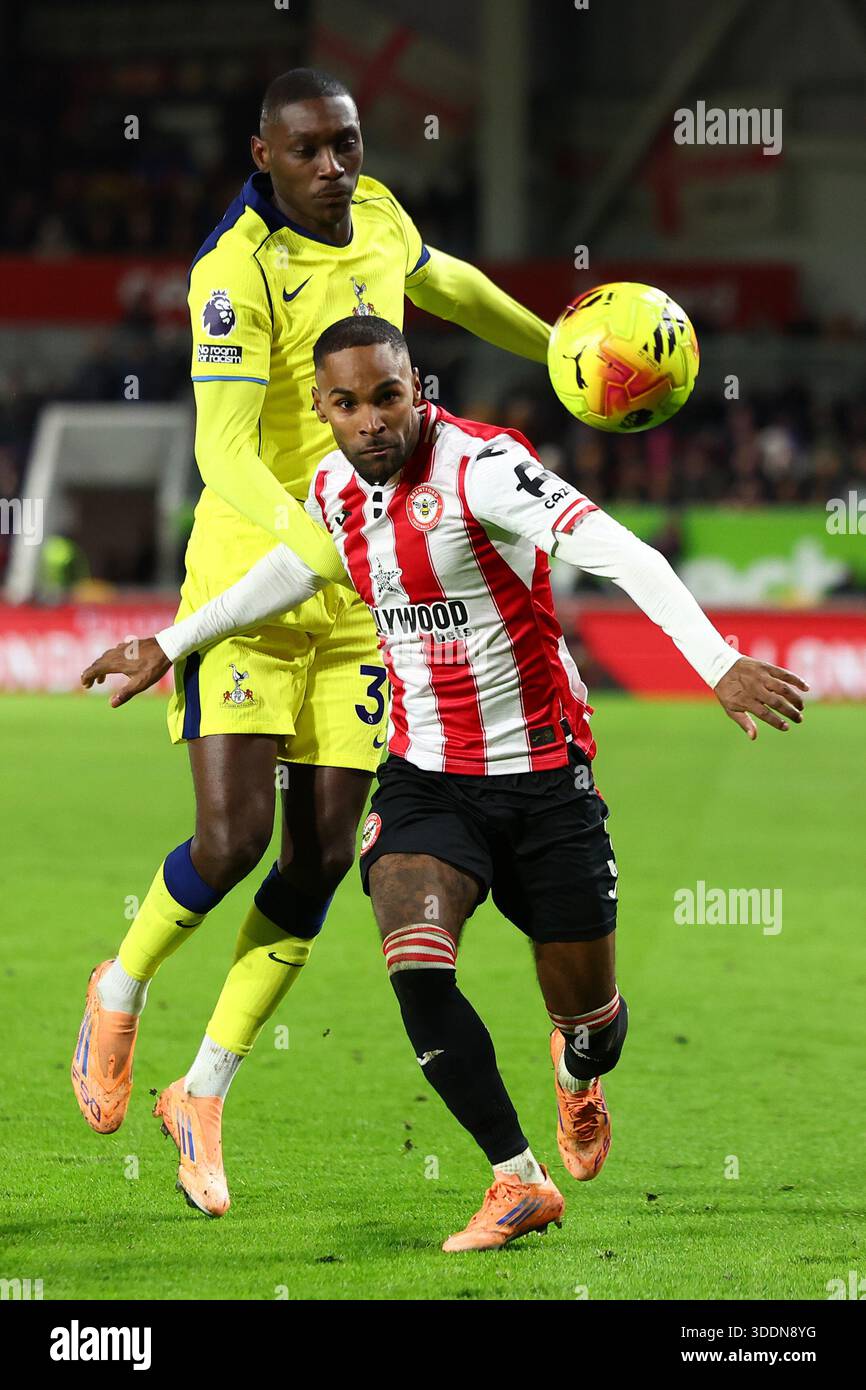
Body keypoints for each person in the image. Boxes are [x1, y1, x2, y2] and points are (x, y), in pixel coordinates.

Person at [82, 318, 808, 1250]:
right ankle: (516, 1179)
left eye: (388, 396)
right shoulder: (335, 488)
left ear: (415, 386)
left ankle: (579, 1074)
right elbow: (295, 570)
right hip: (428, 781)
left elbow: (624, 552)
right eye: (347, 404)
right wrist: (170, 642)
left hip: (547, 782)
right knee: (417, 966)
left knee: (593, 1025)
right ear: (323, 410)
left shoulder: (486, 468)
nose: (372, 420)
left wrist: (717, 662)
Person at [70, 68, 557, 1219]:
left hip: (355, 602)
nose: (336, 167)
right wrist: (314, 529)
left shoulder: (380, 212)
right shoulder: (233, 272)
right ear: (264, 158)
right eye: (311, 152)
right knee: (233, 838)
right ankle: (121, 981)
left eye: (346, 143)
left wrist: (556, 350)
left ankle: (203, 1089)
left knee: (320, 857)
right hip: (250, 580)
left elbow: (445, 282)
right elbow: (224, 450)